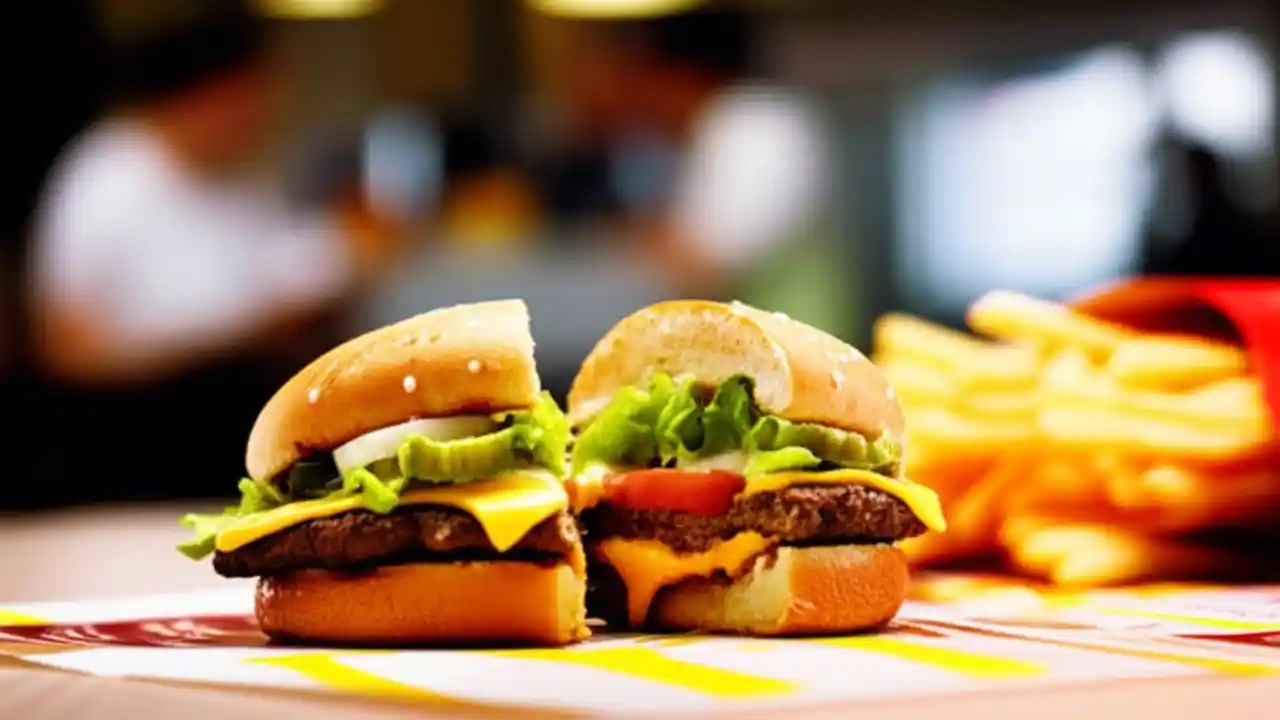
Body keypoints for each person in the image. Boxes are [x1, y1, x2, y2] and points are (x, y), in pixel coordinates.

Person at [24, 6, 395, 504]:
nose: (264, 111)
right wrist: (233, 328)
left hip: (236, 441)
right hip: (129, 451)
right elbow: (67, 350)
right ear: (206, 92)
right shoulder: (105, 178)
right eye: (252, 94)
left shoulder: (245, 181)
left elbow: (289, 295)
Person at [555, 10, 846, 333]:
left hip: (788, 347)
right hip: (752, 345)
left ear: (674, 73)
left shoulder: (753, 124)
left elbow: (700, 263)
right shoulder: (710, 127)